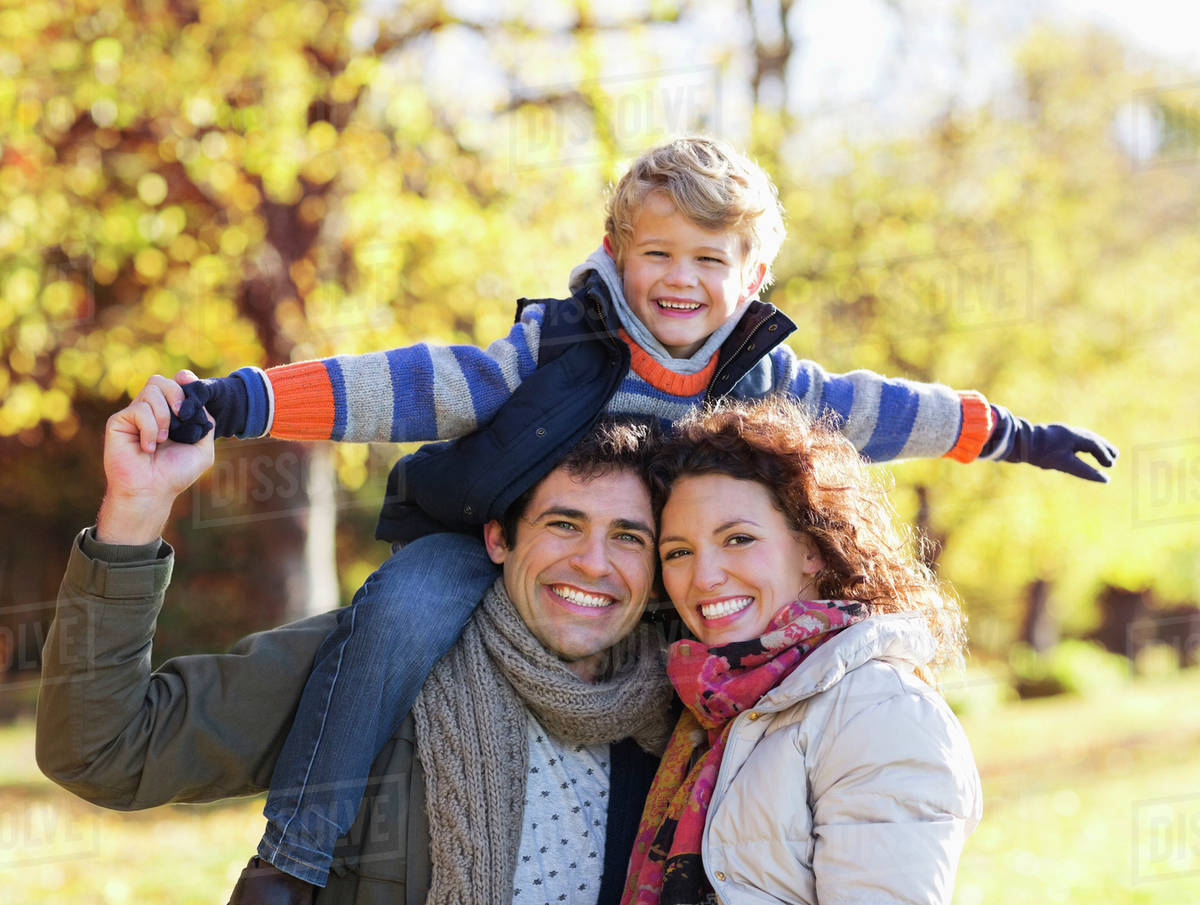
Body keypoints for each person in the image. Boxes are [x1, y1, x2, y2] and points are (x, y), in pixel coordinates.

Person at [162, 137, 1104, 891]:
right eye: (658, 253)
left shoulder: (766, 376)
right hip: (506, 543)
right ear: (616, 254)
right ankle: (292, 857)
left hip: (664, 576)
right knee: (399, 609)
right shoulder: (558, 345)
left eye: (709, 259)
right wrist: (247, 399)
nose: (680, 278)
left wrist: (1008, 432)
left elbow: (881, 409)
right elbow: (411, 384)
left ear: (755, 274)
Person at [35, 377, 676, 905]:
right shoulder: (375, 662)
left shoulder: (686, 723)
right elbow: (102, 751)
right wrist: (136, 506)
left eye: (628, 537)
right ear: (498, 538)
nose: (593, 563)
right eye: (563, 524)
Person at [623, 397, 982, 905]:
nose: (704, 577)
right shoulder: (709, 709)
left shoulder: (877, 710)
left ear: (811, 548)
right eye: (679, 552)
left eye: (738, 539)